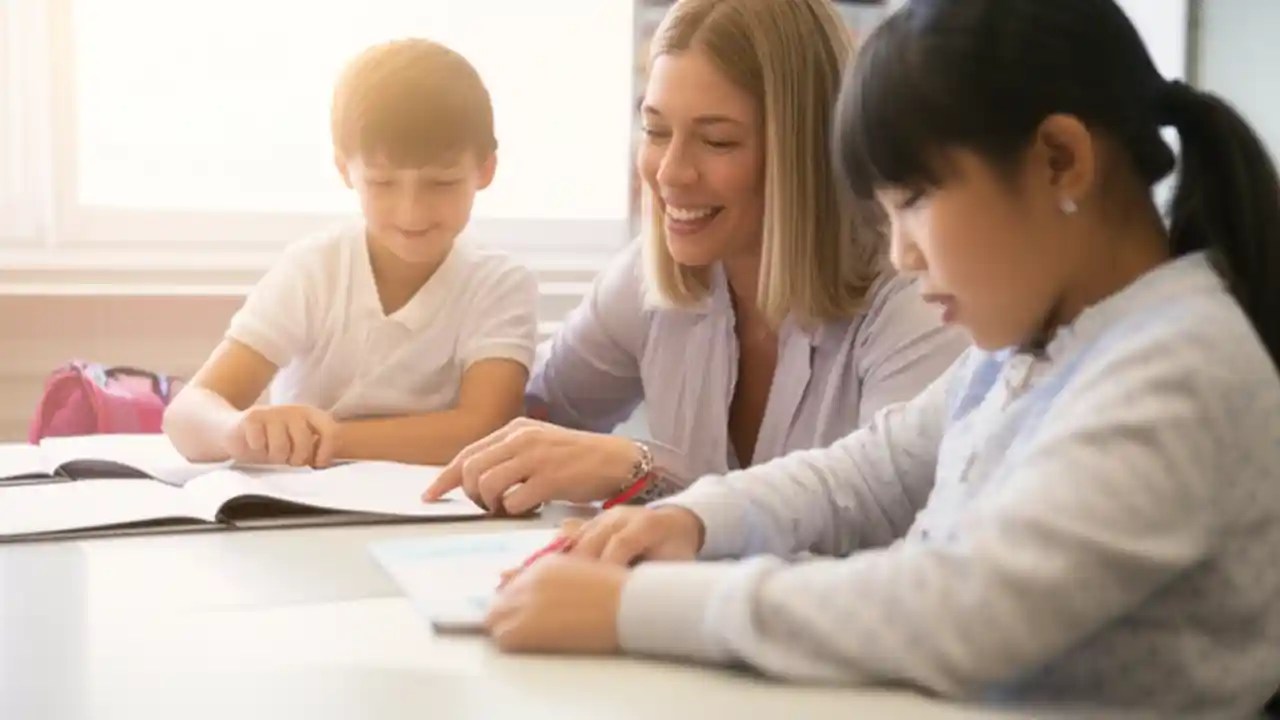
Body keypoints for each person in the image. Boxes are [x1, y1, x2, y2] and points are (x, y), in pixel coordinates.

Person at [481, 0, 1280, 715]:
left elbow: (969, 610)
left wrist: (633, 611)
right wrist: (691, 518)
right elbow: (869, 471)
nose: (899, 253)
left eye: (915, 202)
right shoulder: (1037, 346)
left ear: (1060, 161)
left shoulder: (1179, 365)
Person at [423, 0, 967, 514]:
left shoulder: (918, 296)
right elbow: (525, 413)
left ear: (805, 151)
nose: (669, 173)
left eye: (718, 142)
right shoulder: (652, 274)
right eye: (656, 131)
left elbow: (886, 524)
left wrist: (643, 472)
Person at [164, 39, 537, 468]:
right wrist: (236, 430)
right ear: (345, 170)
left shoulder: (500, 283)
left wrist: (324, 439)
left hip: (433, 514)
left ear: (485, 170)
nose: (411, 213)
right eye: (381, 184)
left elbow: (483, 429)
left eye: (442, 183)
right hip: (302, 506)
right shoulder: (315, 268)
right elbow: (186, 414)